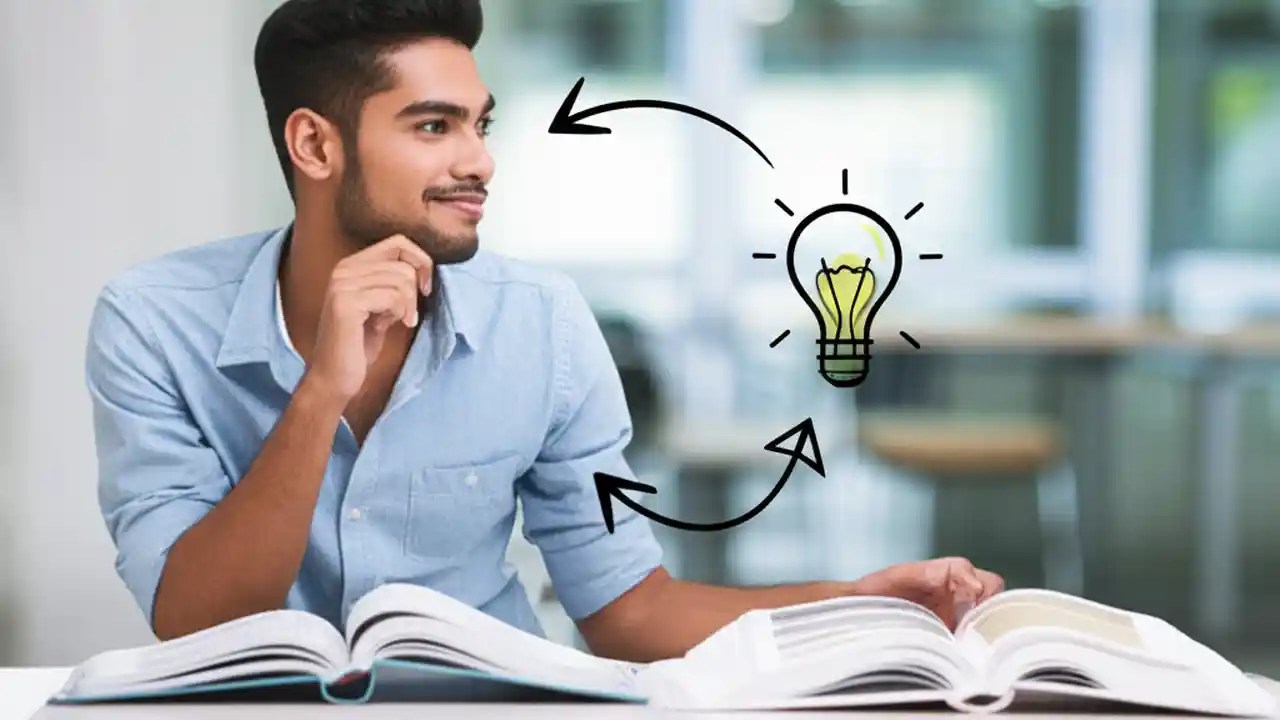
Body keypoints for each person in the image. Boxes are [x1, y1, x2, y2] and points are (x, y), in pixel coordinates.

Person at [85, 0, 1003, 662]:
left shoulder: (542, 324)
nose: (480, 160)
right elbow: (194, 621)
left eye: (480, 125)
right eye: (433, 126)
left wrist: (853, 602)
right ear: (316, 145)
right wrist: (321, 391)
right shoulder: (154, 322)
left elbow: (629, 613)